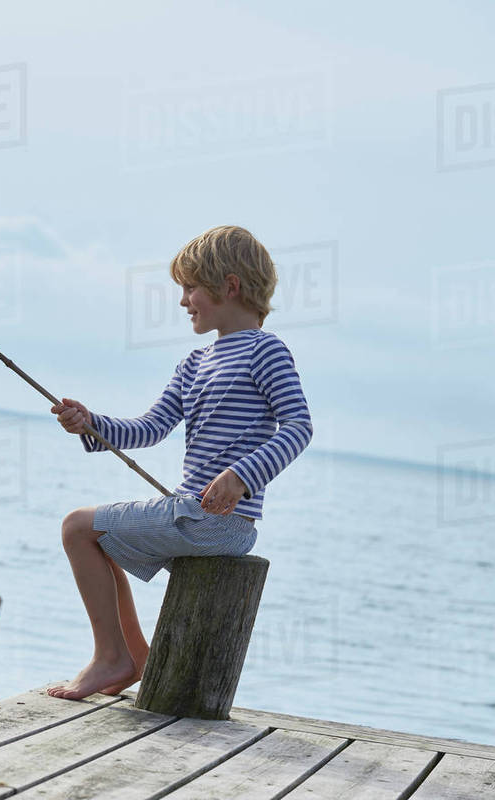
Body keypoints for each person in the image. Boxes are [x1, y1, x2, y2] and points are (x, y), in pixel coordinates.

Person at [46, 225, 313, 700]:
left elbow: (298, 426)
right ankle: (130, 657)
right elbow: (148, 428)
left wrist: (241, 477)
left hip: (219, 523)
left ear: (228, 286)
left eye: (190, 287)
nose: (184, 300)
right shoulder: (194, 363)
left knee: (75, 527)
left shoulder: (265, 350)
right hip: (192, 515)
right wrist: (91, 423)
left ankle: (112, 658)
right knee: (98, 538)